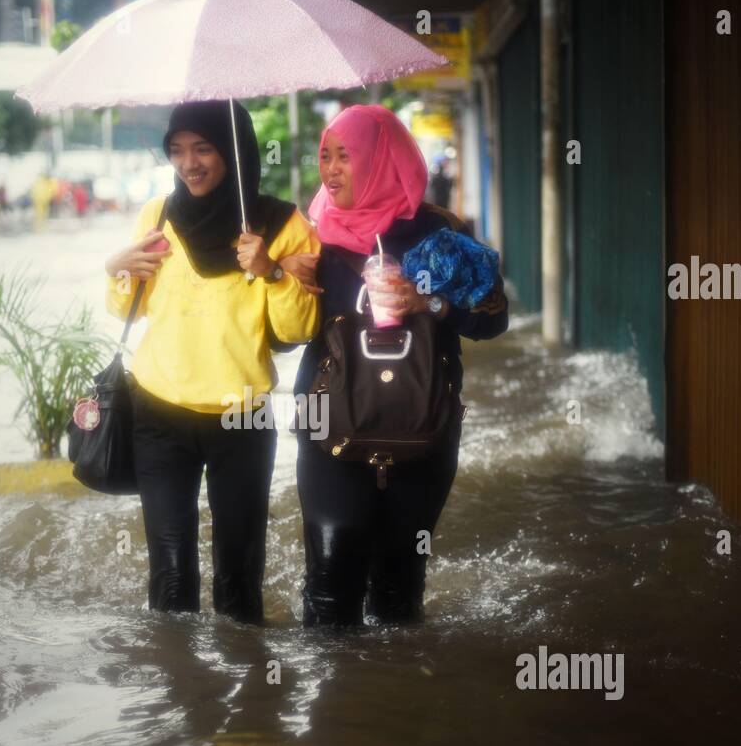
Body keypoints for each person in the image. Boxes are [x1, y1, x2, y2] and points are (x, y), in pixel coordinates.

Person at [286, 105, 508, 627]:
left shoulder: (442, 233)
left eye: (347, 156)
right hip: (328, 429)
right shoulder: (307, 238)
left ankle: (397, 698)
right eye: (325, 157)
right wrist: (276, 277)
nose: (332, 169)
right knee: (329, 588)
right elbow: (279, 337)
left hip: (423, 430)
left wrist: (428, 302)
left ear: (382, 157)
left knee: (400, 588)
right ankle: (333, 704)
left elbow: (492, 321)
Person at [102, 100, 321, 624]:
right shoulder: (155, 216)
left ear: (234, 150)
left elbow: (300, 329)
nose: (189, 163)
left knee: (239, 578)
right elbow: (126, 307)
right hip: (159, 412)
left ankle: (247, 694)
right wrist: (117, 269)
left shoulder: (283, 224)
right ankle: (182, 692)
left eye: (203, 148)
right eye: (177, 150)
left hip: (242, 416)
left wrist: (270, 271)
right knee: (170, 577)